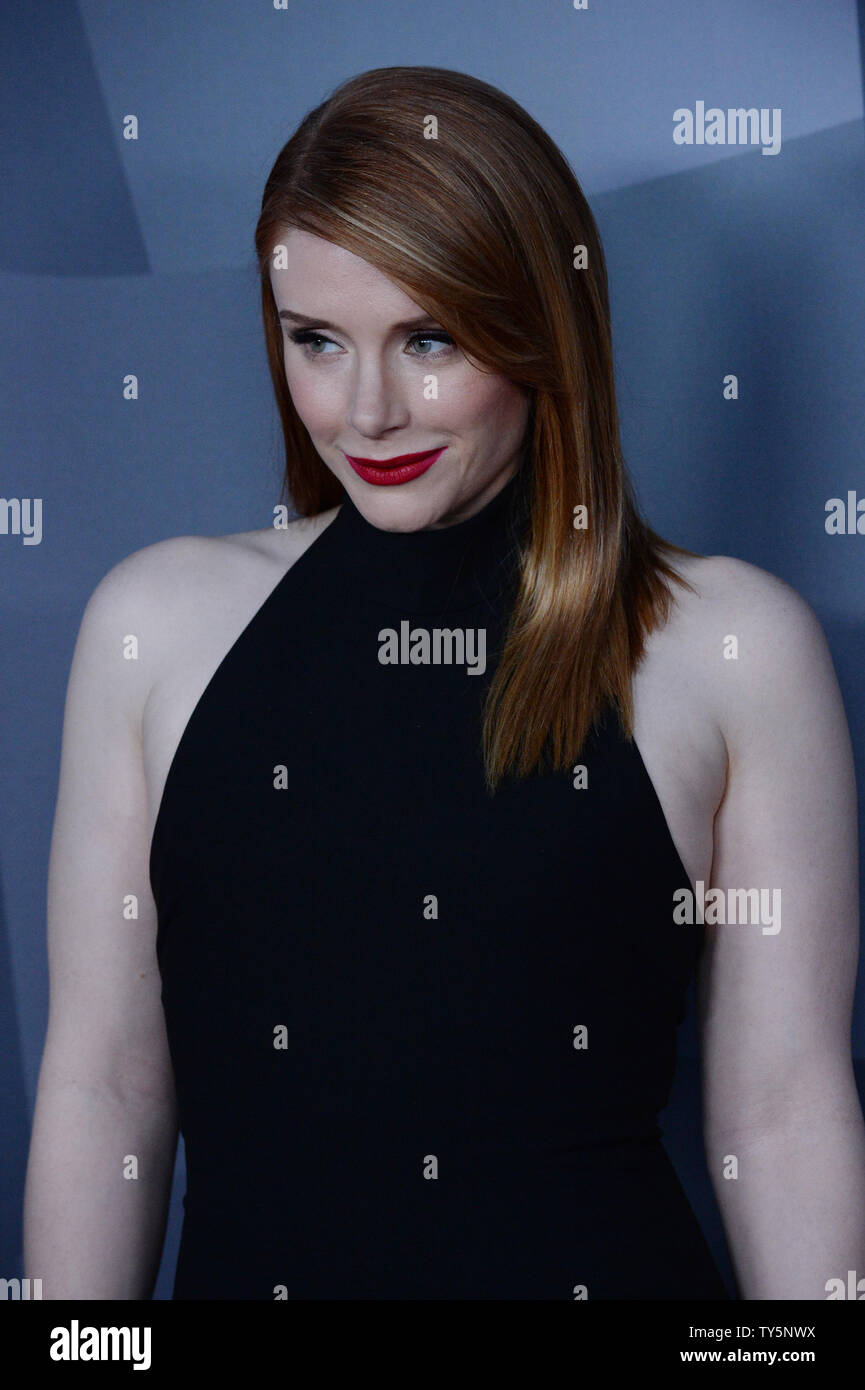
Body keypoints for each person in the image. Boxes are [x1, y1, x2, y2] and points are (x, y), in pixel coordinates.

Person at [24, 65, 864, 1301]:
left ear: (538, 330)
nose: (365, 410)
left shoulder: (732, 645)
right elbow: (105, 1087)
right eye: (316, 341)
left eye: (429, 339)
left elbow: (781, 1115)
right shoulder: (152, 622)